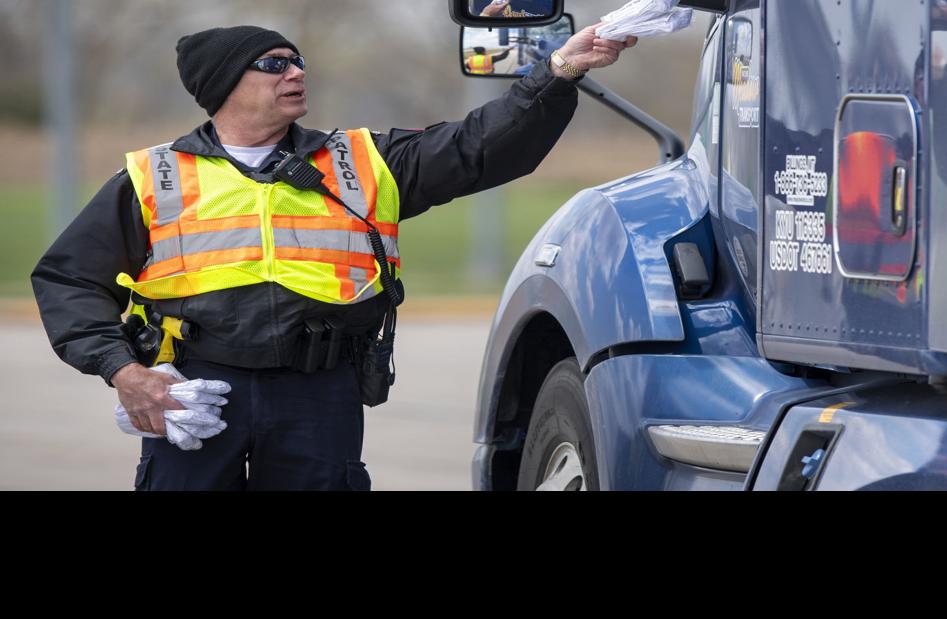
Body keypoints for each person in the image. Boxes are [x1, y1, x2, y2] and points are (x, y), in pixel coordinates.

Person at [31, 23, 636, 490]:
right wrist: (126, 374)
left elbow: (480, 147)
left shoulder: (364, 161)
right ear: (223, 86)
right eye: (273, 64)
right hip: (195, 395)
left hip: (319, 394)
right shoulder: (152, 175)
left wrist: (557, 72)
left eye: (298, 61)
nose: (295, 71)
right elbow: (69, 280)